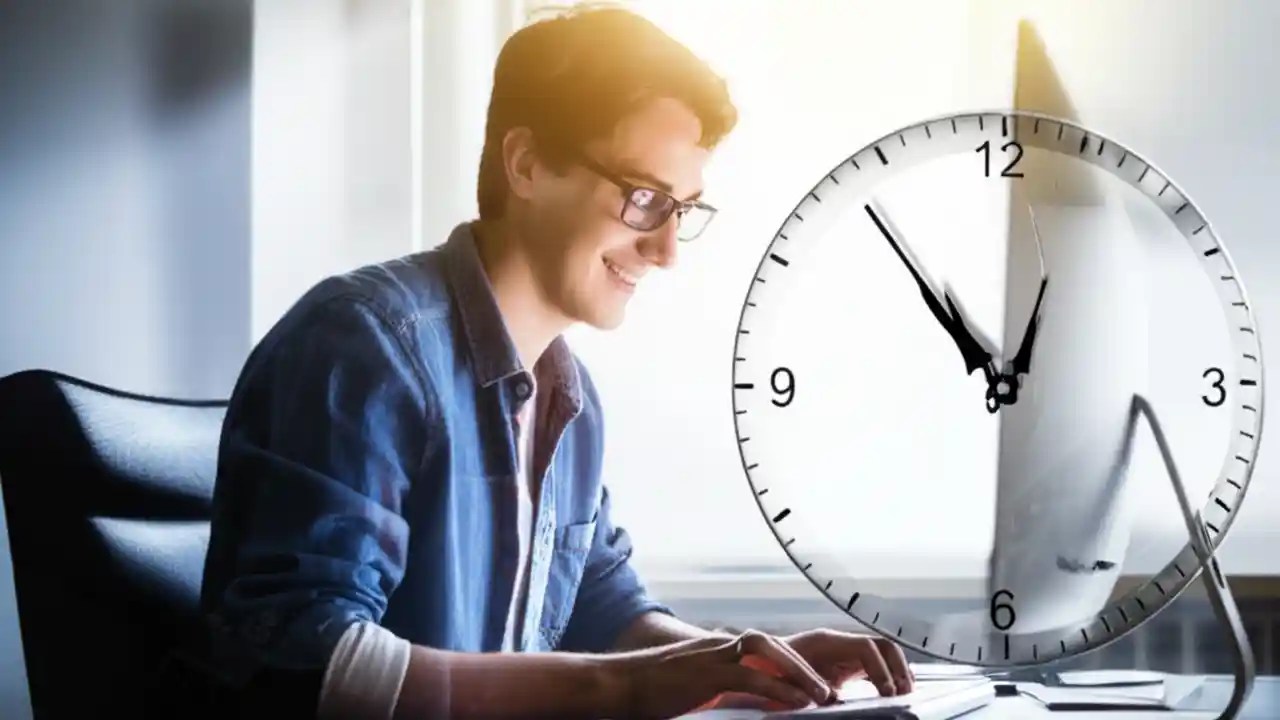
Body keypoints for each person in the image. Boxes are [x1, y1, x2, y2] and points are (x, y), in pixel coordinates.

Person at [198, 5, 914, 718]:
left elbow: (604, 609)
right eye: (643, 199)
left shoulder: (570, 396)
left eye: (683, 211)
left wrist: (757, 664)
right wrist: (627, 687)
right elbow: (302, 660)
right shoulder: (364, 345)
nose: (666, 251)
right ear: (528, 164)